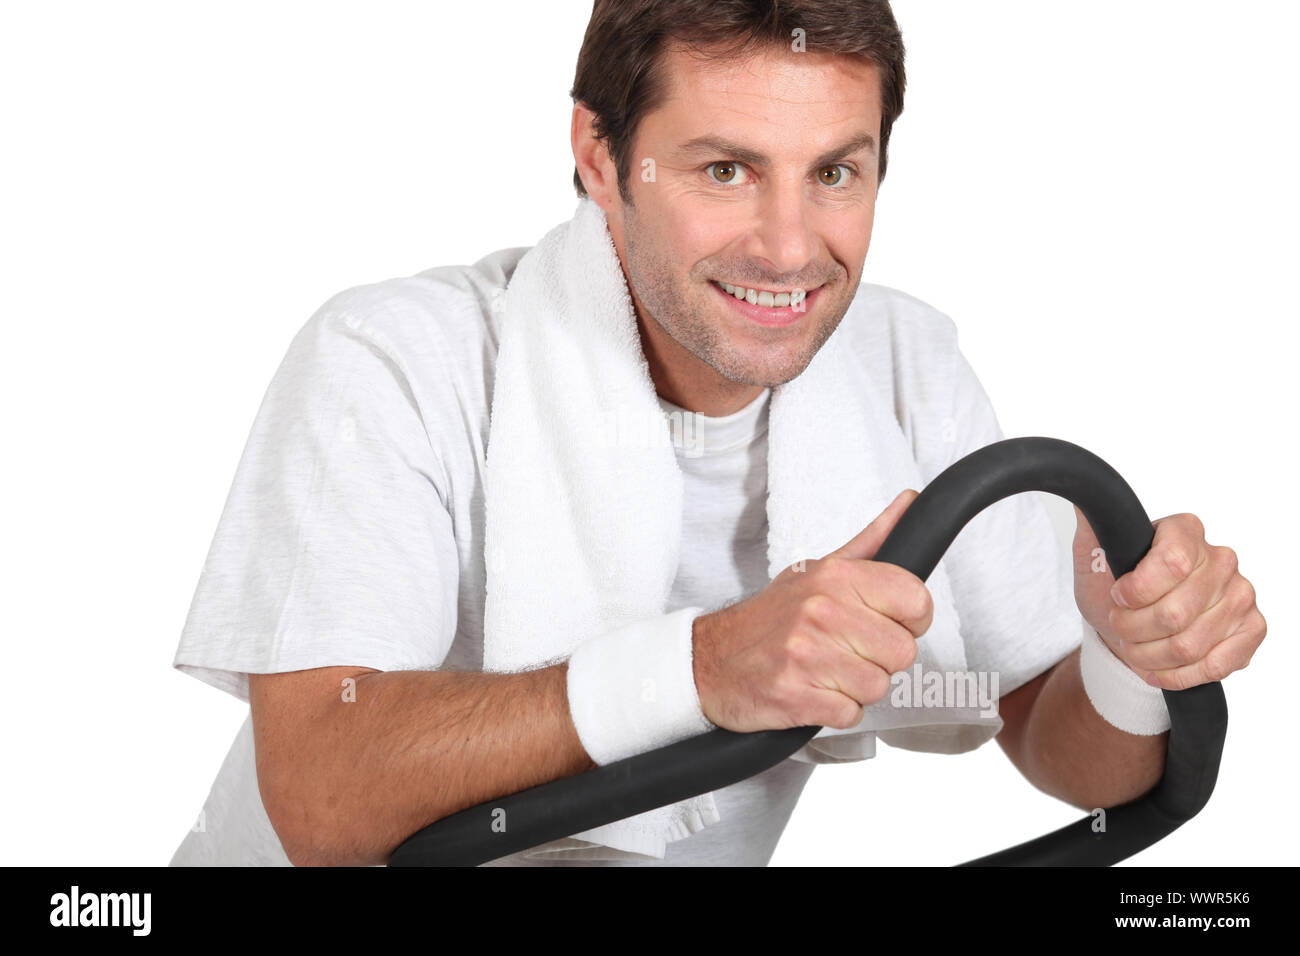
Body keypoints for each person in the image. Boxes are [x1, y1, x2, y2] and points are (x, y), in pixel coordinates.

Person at [169, 0, 1266, 867]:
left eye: (834, 171)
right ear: (598, 155)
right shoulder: (399, 360)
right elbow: (319, 789)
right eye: (725, 169)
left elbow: (1052, 735)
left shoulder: (905, 372)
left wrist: (1131, 658)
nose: (788, 249)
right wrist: (704, 666)